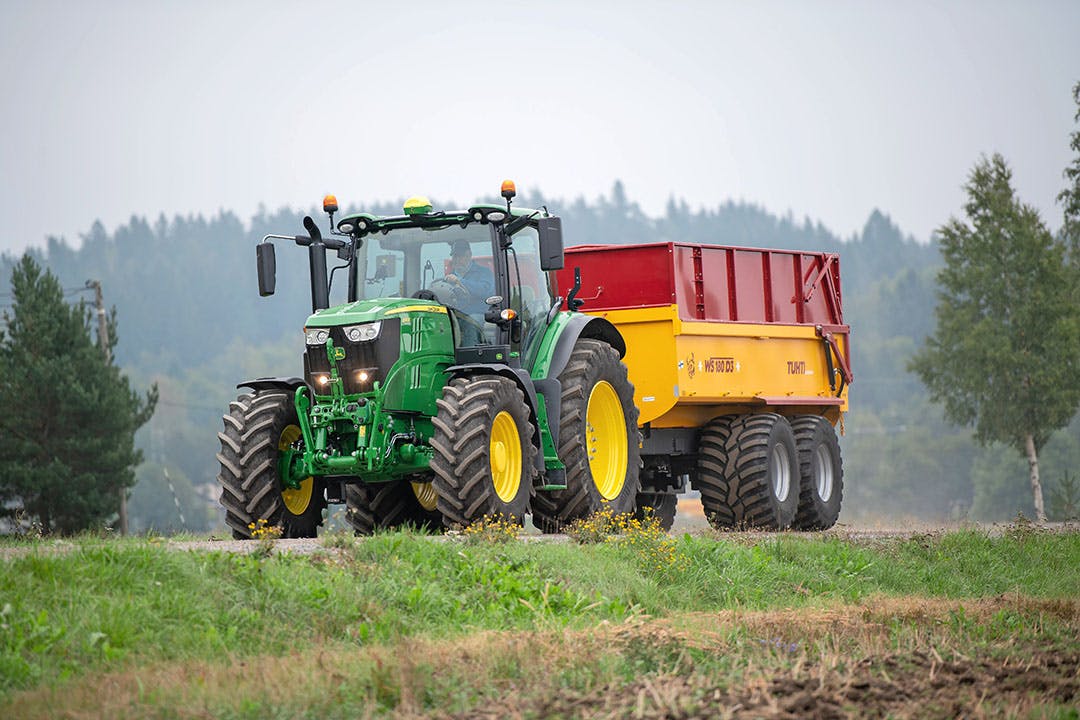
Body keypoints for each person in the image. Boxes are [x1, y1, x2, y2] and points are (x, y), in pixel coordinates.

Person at [442, 240, 494, 315]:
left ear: (469, 255)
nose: (456, 260)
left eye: (460, 256)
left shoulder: (484, 273)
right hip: (455, 314)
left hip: (477, 314)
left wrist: (459, 281)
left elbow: (485, 291)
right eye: (454, 257)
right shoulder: (449, 278)